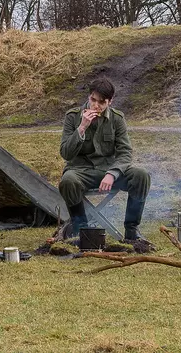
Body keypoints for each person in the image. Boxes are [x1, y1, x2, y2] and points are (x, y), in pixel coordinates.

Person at [58, 78, 150, 242]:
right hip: (81, 171)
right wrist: (82, 127)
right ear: (89, 97)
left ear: (110, 101)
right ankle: (81, 230)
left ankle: (132, 230)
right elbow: (66, 153)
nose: (96, 106)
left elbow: (125, 152)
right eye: (93, 100)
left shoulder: (117, 119)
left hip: (109, 171)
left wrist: (113, 173)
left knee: (141, 175)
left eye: (102, 102)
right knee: (68, 181)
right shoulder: (72, 117)